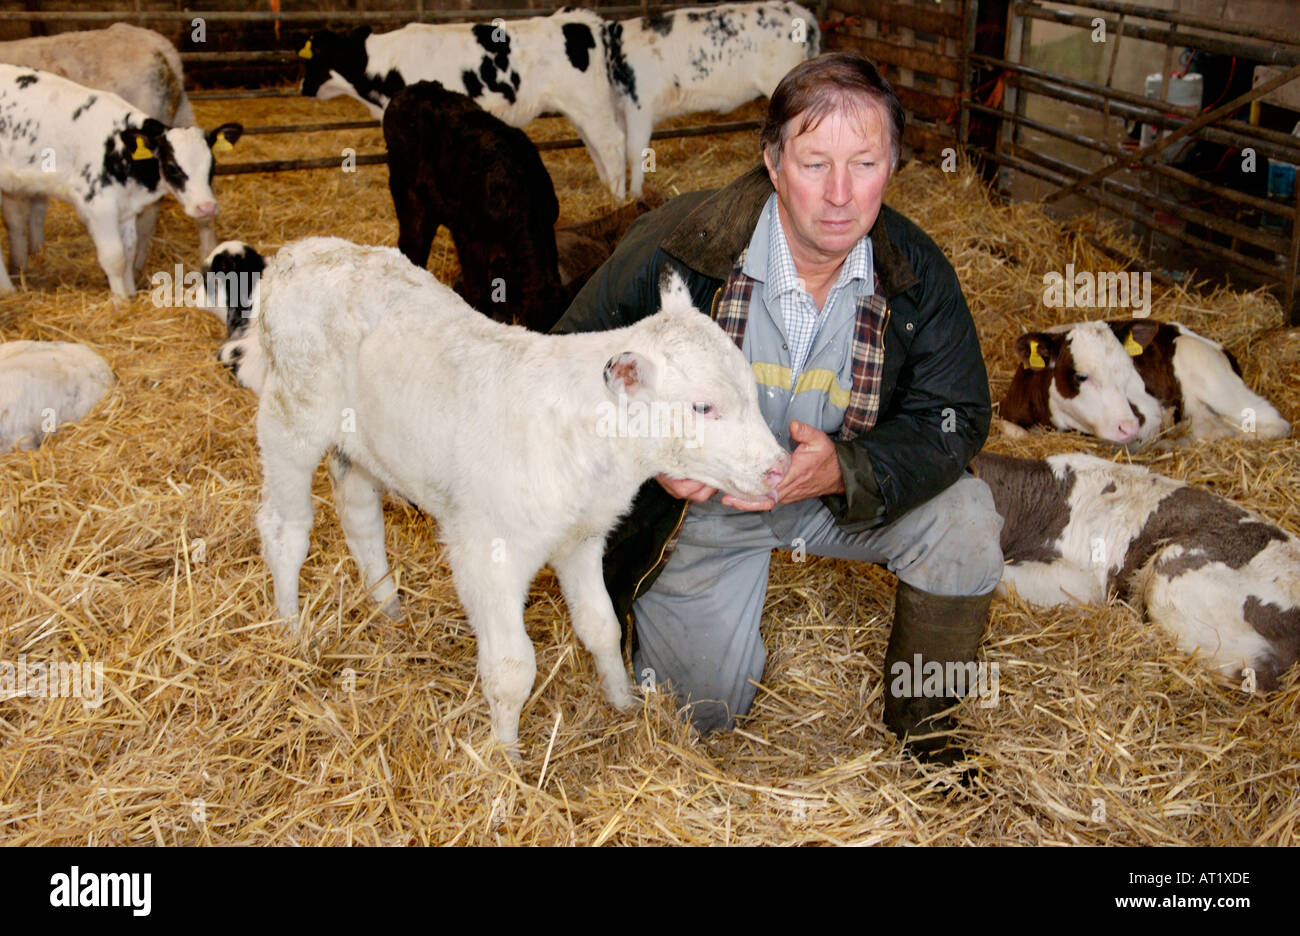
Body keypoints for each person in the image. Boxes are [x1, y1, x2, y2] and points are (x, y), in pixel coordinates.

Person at [551, 51, 1003, 761]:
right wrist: (657, 459)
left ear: (892, 165)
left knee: (967, 518)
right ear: (771, 161)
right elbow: (562, 367)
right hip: (699, 509)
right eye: (814, 162)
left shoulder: (916, 272)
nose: (840, 195)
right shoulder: (682, 248)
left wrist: (847, 469)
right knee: (701, 718)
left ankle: (928, 735)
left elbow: (956, 413)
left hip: (835, 491)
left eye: (865, 163)